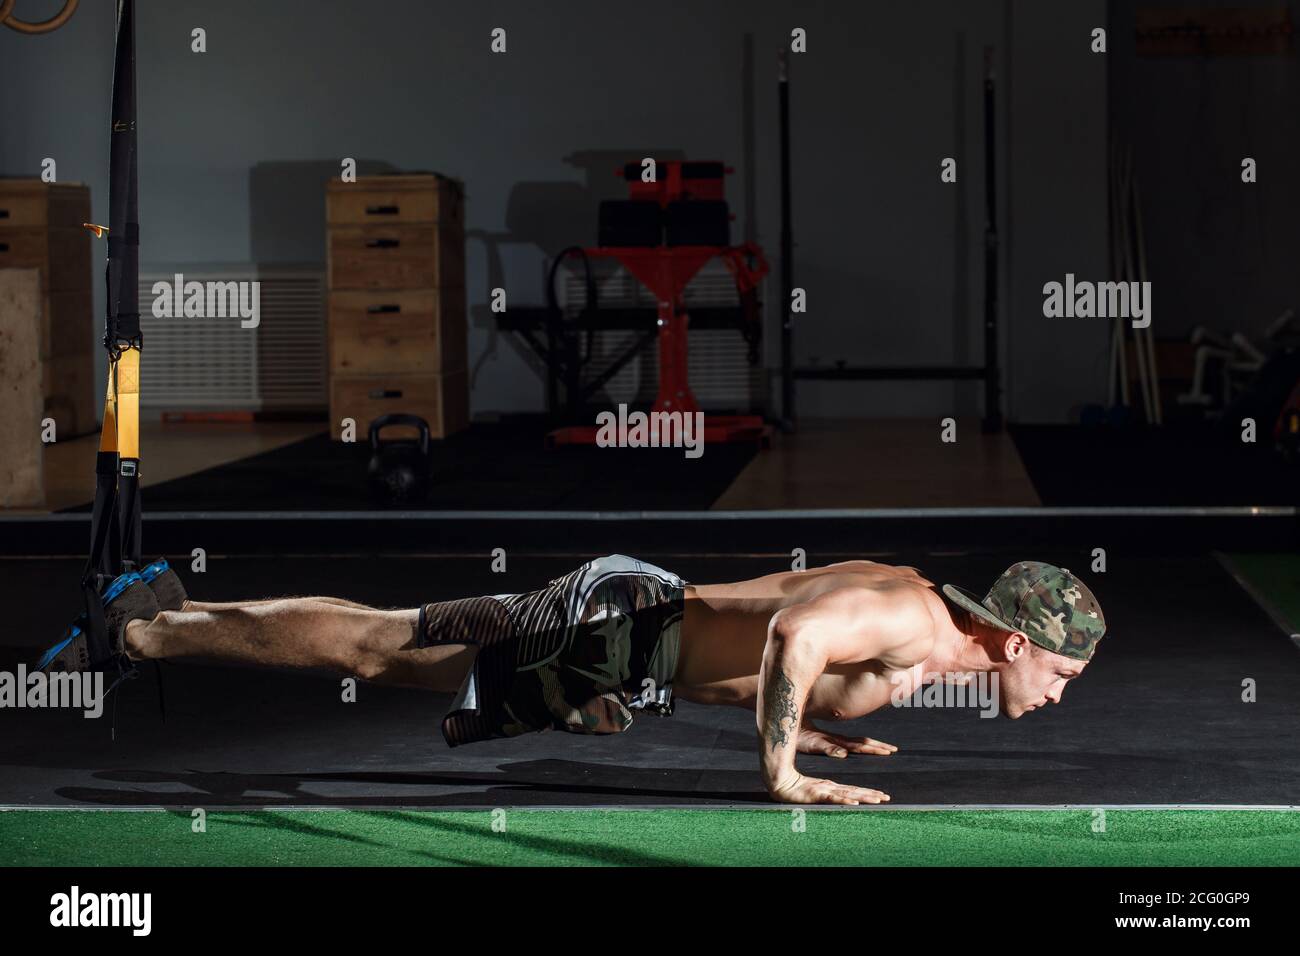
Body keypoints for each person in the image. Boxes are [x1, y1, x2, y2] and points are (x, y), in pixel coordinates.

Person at [38, 554, 1106, 805]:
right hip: (616, 630)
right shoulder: (916, 618)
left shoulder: (917, 622)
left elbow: (767, 653)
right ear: (1011, 640)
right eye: (1060, 670)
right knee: (383, 648)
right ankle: (142, 632)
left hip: (626, 634)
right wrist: (780, 766)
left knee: (390, 636)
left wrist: (812, 730)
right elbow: (791, 633)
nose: (1059, 692)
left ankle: (157, 614)